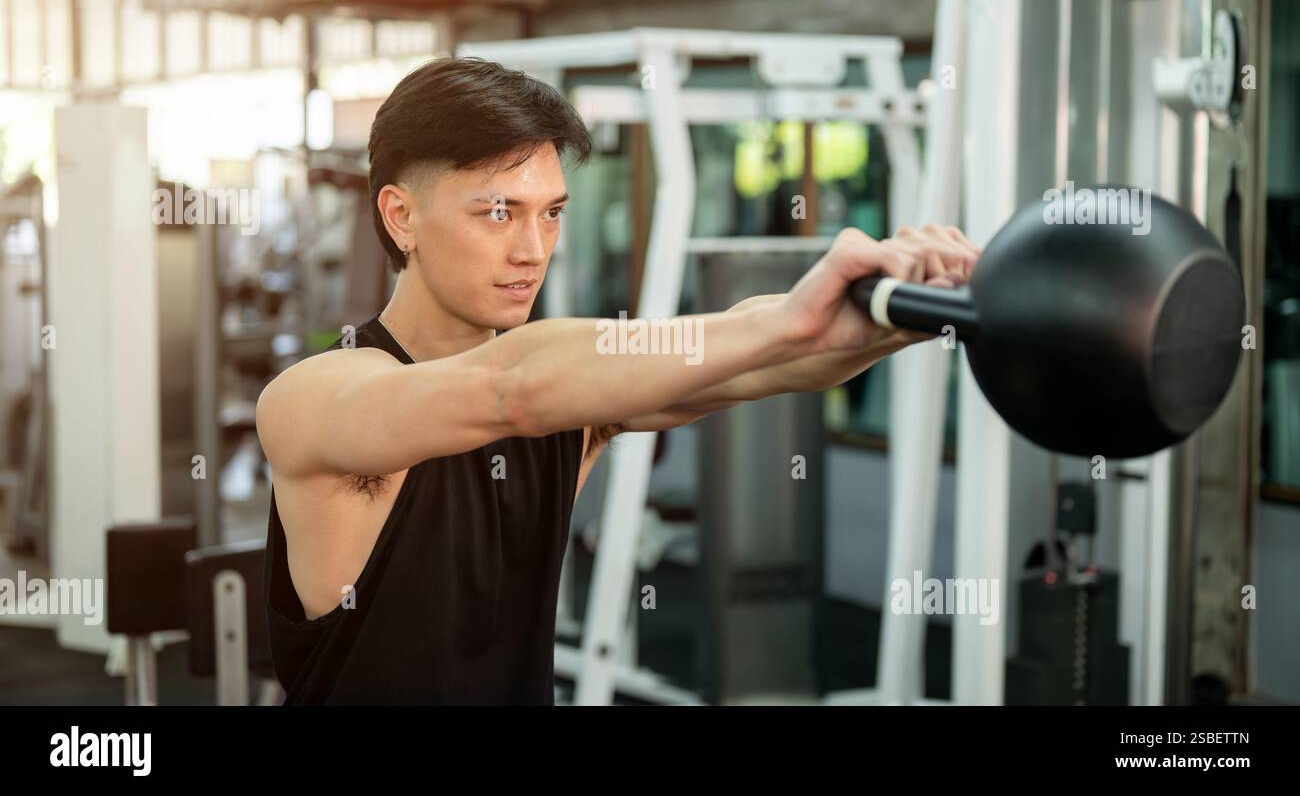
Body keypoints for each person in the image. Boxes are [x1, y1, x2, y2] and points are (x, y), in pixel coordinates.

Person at [255, 56, 981, 704]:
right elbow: (507, 388)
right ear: (400, 215)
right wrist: (792, 315)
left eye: (553, 214)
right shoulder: (314, 399)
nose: (533, 249)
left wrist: (891, 317)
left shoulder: (577, 401)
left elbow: (778, 364)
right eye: (499, 212)